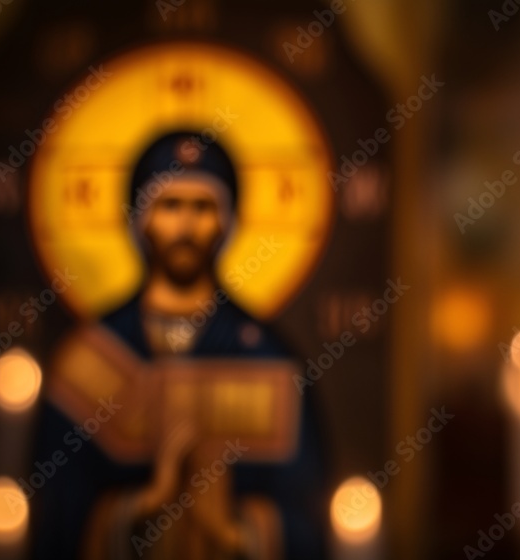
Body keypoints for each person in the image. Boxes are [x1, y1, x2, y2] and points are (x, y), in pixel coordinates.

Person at [31, 131, 328, 559]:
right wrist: (139, 509)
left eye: (202, 207)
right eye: (170, 206)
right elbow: (56, 517)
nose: (186, 227)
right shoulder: (90, 359)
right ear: (142, 218)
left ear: (226, 222)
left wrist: (233, 533)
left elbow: (307, 517)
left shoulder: (268, 359)